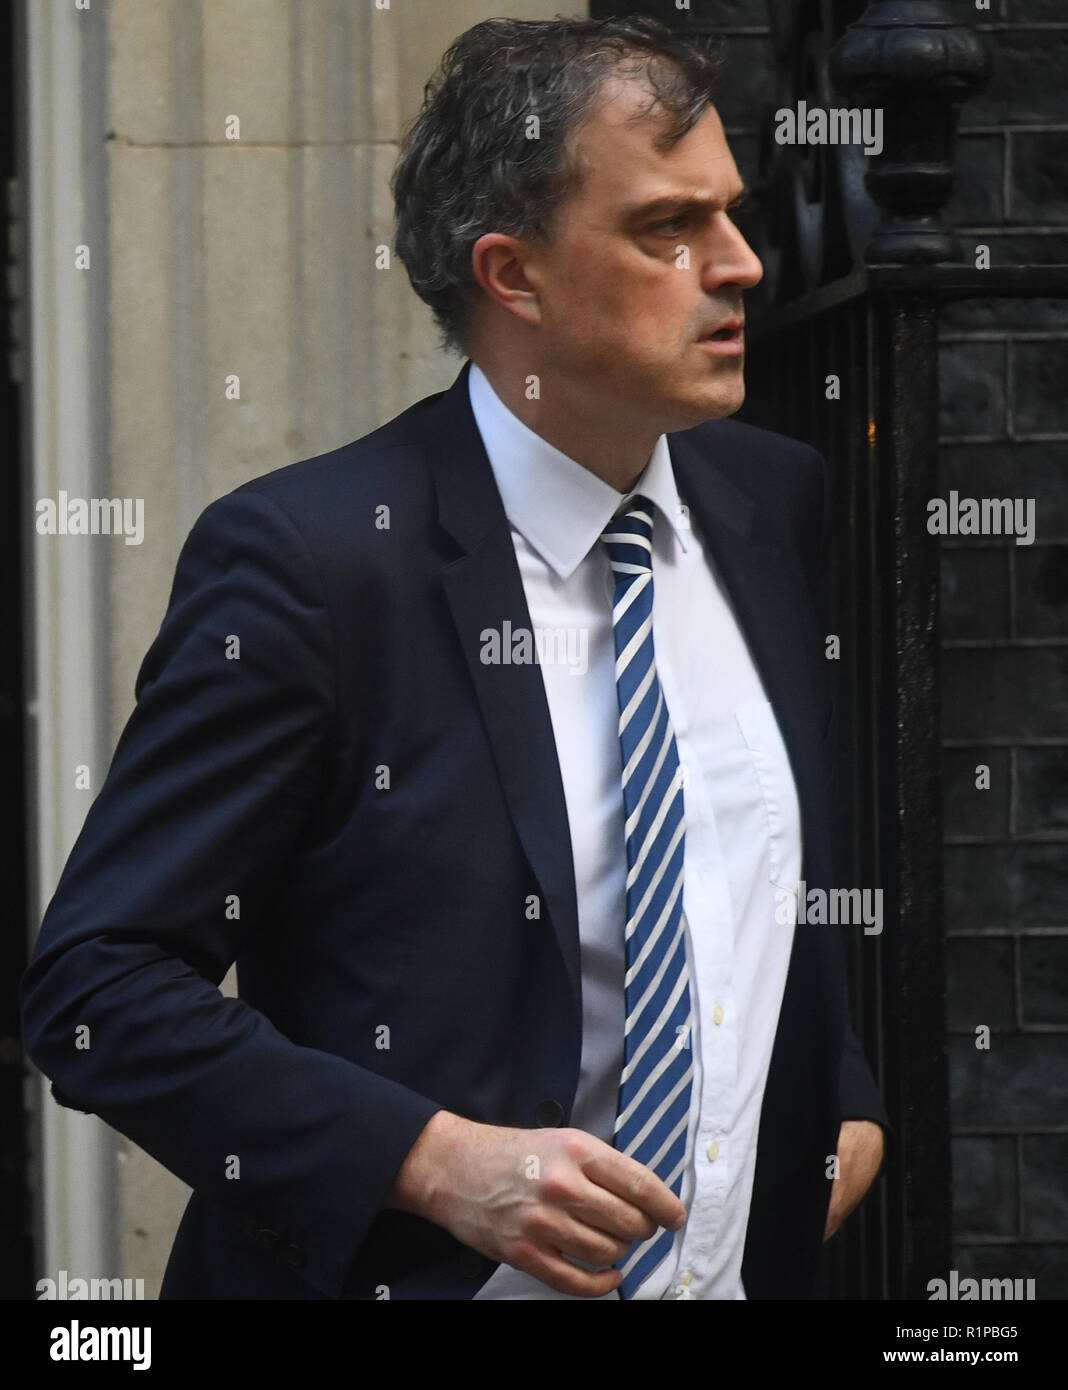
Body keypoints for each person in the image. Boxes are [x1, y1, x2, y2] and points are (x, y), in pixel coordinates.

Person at [20, 14, 887, 1301]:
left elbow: (759, 864)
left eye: (732, 213)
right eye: (669, 227)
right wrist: (429, 1160)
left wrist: (842, 1088)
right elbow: (97, 989)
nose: (743, 264)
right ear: (513, 275)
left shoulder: (771, 502)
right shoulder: (316, 564)